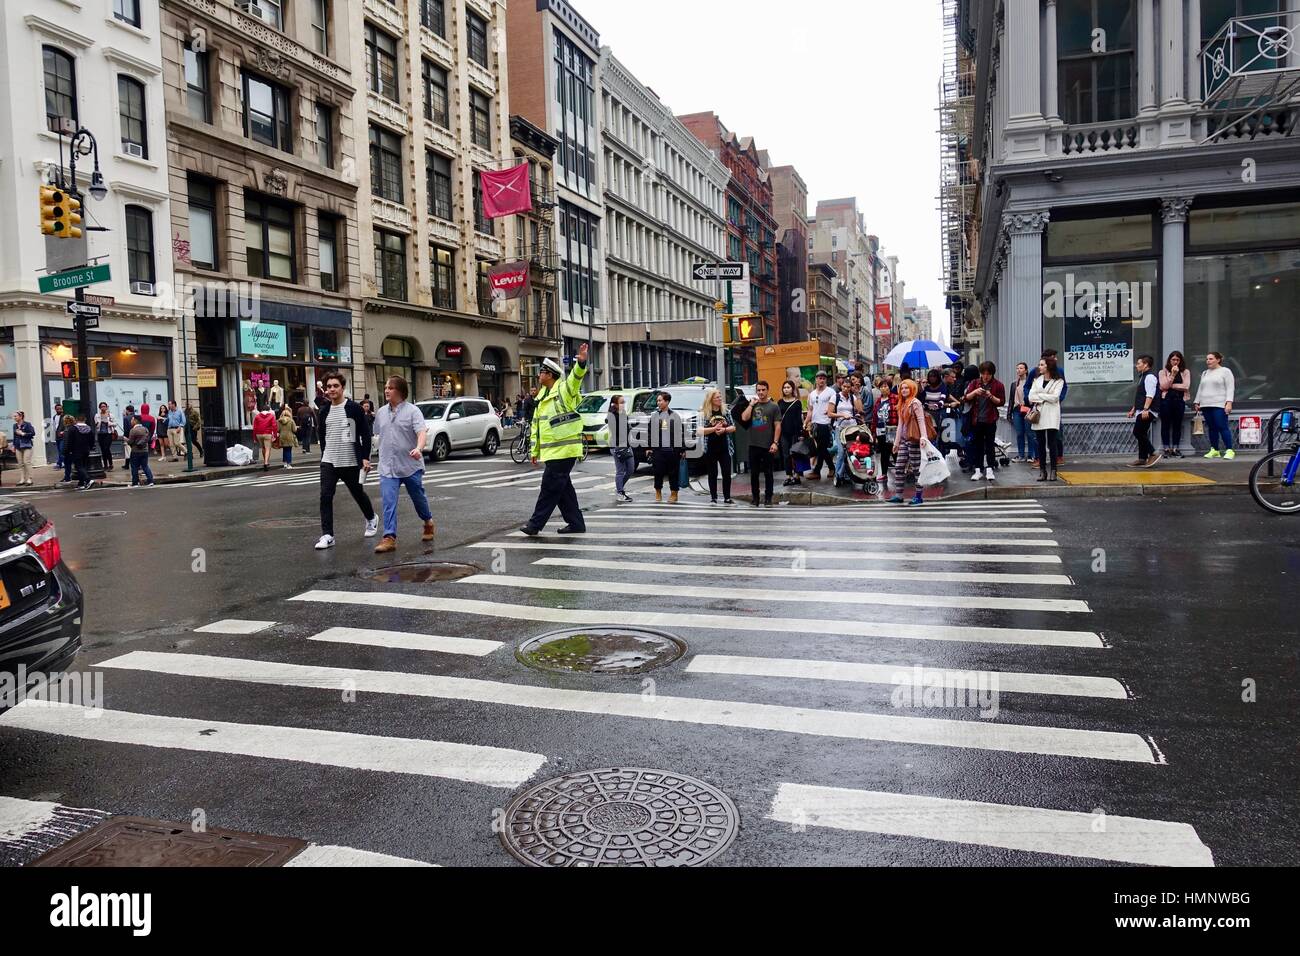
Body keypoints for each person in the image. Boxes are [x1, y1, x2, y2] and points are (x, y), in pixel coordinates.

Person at [521, 344, 589, 536]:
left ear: (550, 375)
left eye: (542, 372)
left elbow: (575, 379)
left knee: (549, 487)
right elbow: (537, 427)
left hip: (564, 451)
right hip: (553, 452)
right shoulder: (542, 397)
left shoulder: (563, 391)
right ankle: (576, 524)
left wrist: (581, 362)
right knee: (563, 489)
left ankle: (535, 525)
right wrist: (535, 451)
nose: (539, 375)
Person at [314, 370, 378, 550]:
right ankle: (328, 535)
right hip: (329, 461)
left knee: (358, 493)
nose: (332, 389)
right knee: (325, 496)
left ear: (342, 388)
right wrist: (324, 455)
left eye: (335, 386)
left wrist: (365, 457)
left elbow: (365, 434)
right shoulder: (324, 410)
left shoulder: (354, 408)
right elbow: (323, 435)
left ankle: (371, 517)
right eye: (328, 387)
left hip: (350, 460)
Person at [372, 375, 435, 553]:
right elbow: (377, 434)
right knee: (388, 501)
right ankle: (389, 537)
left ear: (400, 391)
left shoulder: (413, 411)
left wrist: (418, 448)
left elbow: (421, 432)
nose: (386, 390)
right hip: (387, 466)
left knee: (418, 498)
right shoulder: (381, 412)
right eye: (385, 387)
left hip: (409, 465)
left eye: (390, 388)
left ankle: (428, 522)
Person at [1024, 348, 1068, 466]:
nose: (1056, 359)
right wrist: (1030, 399)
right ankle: (1039, 459)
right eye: (1054, 357)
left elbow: (1061, 390)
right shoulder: (1035, 372)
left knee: (1056, 435)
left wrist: (1059, 398)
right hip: (1038, 409)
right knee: (1038, 437)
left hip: (1053, 408)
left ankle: (1058, 457)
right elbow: (1028, 389)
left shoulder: (1059, 372)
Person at [888, 379, 929, 506]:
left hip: (914, 440)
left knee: (917, 469)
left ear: (912, 389)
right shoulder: (902, 403)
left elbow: (921, 421)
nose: (904, 390)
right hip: (904, 441)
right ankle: (899, 495)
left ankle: (918, 496)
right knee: (899, 467)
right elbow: (900, 425)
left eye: (907, 388)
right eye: (902, 388)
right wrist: (896, 442)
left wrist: (923, 437)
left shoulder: (915, 403)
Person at [741, 380, 782, 506]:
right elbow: (744, 418)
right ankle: (755, 497)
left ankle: (768, 497)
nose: (761, 392)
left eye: (763, 390)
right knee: (753, 474)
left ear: (767, 390)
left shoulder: (774, 406)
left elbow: (778, 426)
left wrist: (775, 442)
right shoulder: (753, 404)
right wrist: (751, 405)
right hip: (753, 444)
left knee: (768, 473)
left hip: (768, 445)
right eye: (758, 390)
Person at [965, 361, 1006, 481]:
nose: (985, 376)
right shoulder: (975, 383)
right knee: (977, 445)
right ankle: (978, 469)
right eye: (983, 373)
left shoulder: (998, 385)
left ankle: (989, 469)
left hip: (990, 419)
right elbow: (965, 398)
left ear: (992, 373)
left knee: (989, 445)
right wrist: (974, 392)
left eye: (988, 374)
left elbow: (1002, 402)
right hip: (976, 419)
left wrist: (991, 396)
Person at [1027, 357, 1064, 482]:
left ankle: (1053, 470)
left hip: (1052, 414)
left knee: (1052, 443)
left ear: (1048, 366)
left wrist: (1040, 396)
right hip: (1039, 414)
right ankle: (1042, 471)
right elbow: (1031, 397)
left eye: (1042, 364)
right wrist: (1045, 397)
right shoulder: (1037, 380)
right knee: (1040, 443)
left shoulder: (1058, 381)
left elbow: (1055, 398)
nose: (1039, 367)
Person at [1194, 351, 1236, 460]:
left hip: (1219, 404)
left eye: (1211, 359)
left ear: (1218, 360)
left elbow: (1230, 387)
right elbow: (1201, 388)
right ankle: (1214, 450)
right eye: (1207, 359)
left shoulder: (1225, 371)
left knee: (1222, 426)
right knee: (1212, 428)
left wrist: (1229, 402)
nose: (1208, 361)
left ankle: (1229, 450)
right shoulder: (1205, 373)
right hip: (1206, 404)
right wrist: (1197, 401)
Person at [700, 388, 736, 504]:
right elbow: (700, 431)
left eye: (720, 397)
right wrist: (714, 429)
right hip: (710, 446)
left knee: (726, 473)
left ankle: (727, 497)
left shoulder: (726, 412)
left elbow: (733, 427)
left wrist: (724, 429)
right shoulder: (705, 413)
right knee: (712, 473)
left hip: (724, 446)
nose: (719, 399)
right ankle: (713, 497)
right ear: (711, 399)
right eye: (717, 397)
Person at [649, 391, 685, 504]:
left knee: (673, 473)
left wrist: (682, 449)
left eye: (660, 400)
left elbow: (680, 433)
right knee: (658, 472)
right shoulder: (654, 416)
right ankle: (658, 492)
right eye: (657, 400)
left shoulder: (675, 416)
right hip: (658, 450)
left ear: (667, 402)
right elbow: (650, 432)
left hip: (672, 450)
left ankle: (674, 493)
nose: (658, 402)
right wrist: (649, 448)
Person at [1126, 355, 1162, 468]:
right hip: (1142, 409)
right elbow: (1141, 395)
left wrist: (1146, 409)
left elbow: (1150, 395)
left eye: (1138, 363)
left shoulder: (1150, 377)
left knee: (1138, 432)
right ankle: (1142, 458)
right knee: (1142, 433)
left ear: (1145, 364)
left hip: (1147, 410)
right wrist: (1134, 409)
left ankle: (1153, 453)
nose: (1137, 365)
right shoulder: (1143, 376)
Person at [1159, 351, 1191, 458]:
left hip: (1179, 400)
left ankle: (1176, 448)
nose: (1175, 362)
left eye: (1177, 360)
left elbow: (1186, 386)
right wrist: (1172, 374)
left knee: (1177, 425)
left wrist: (1171, 385)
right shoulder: (1163, 372)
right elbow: (1163, 386)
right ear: (1169, 360)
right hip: (1166, 401)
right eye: (1173, 360)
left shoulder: (1185, 372)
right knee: (1165, 425)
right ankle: (1166, 448)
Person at [804, 371, 835, 480]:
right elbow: (810, 410)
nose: (821, 380)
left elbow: (834, 407)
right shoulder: (812, 394)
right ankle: (831, 467)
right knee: (821, 448)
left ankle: (817, 471)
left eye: (823, 378)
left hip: (826, 423)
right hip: (815, 424)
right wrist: (806, 422)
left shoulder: (831, 392)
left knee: (821, 447)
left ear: (826, 380)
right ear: (816, 379)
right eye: (819, 378)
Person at [830, 377, 859, 487]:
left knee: (851, 452)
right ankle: (837, 475)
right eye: (844, 386)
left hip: (852, 428)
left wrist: (858, 395)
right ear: (840, 386)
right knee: (841, 451)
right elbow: (829, 413)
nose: (846, 389)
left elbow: (859, 410)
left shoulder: (853, 397)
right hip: (840, 427)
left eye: (848, 387)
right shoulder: (835, 397)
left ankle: (845, 474)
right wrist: (842, 415)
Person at [608, 393, 636, 503]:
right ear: (615, 404)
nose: (624, 404)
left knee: (630, 469)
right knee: (620, 471)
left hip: (627, 445)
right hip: (617, 446)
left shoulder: (623, 413)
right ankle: (620, 492)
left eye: (624, 402)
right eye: (621, 402)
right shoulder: (612, 416)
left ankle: (619, 488)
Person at [777, 380, 805, 486]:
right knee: (786, 455)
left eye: (788, 387)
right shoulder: (780, 402)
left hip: (795, 432)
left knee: (796, 454)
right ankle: (788, 476)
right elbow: (778, 418)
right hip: (784, 432)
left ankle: (797, 476)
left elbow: (799, 419)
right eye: (784, 387)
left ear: (793, 389)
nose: (786, 389)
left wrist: (801, 433)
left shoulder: (797, 402)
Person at [1008, 362, 1035, 463]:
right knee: (1019, 433)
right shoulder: (1014, 384)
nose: (1018, 370)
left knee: (1030, 433)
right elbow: (1011, 399)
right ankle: (1021, 455)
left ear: (1026, 370)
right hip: (1017, 409)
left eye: (1021, 368)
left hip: (1027, 409)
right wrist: (1009, 413)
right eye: (1017, 368)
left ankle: (1031, 455)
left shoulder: (1031, 383)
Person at [66, 414, 96, 490]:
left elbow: (69, 441)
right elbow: (92, 440)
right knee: (83, 466)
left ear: (76, 420)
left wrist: (68, 450)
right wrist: (91, 447)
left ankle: (88, 480)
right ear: (85, 420)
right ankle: (81, 483)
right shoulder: (89, 429)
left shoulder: (73, 429)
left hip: (76, 450)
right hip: (86, 450)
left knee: (79, 466)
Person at [127, 415, 155, 487]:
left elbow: (130, 442)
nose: (131, 421)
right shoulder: (145, 429)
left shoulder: (133, 430)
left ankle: (135, 482)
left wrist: (126, 439)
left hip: (135, 451)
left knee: (134, 467)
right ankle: (150, 481)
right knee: (145, 466)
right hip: (145, 451)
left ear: (135, 421)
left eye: (132, 420)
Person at [11, 412, 36, 486]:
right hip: (18, 446)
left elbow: (33, 433)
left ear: (21, 416)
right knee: (20, 464)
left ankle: (30, 479)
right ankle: (22, 479)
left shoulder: (27, 424)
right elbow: (15, 436)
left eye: (16, 416)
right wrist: (14, 446)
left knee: (26, 462)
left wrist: (23, 434)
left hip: (27, 445)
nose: (14, 418)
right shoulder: (14, 425)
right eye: (14, 416)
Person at [93, 401, 118, 471]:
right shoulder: (97, 415)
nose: (103, 408)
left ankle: (110, 464)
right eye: (101, 407)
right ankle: (105, 465)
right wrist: (99, 423)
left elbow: (115, 423)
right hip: (100, 434)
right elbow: (96, 424)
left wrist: (108, 423)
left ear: (106, 407)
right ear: (99, 408)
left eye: (104, 406)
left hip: (108, 434)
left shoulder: (110, 415)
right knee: (103, 450)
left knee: (107, 448)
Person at [252, 406, 277, 471]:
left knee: (263, 448)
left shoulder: (257, 416)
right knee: (268, 449)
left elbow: (254, 427)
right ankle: (266, 463)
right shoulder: (271, 416)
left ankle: (265, 461)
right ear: (268, 410)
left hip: (259, 434)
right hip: (267, 434)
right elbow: (274, 426)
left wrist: (254, 437)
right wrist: (274, 435)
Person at [278, 404, 299, 469]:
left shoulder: (279, 421)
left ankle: (284, 463)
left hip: (282, 436)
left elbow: (278, 429)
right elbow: (294, 429)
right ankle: (289, 464)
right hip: (289, 436)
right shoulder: (291, 420)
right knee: (289, 450)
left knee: (284, 450)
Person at [56, 414, 74, 483]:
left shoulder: (67, 430)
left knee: (68, 464)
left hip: (69, 450)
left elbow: (66, 442)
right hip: (72, 450)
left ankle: (67, 477)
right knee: (70, 464)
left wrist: (64, 451)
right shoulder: (72, 428)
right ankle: (67, 477)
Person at [48, 402, 65, 470]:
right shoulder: (54, 417)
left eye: (60, 409)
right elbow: (54, 426)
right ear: (55, 410)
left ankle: (59, 464)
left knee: (61, 450)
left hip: (63, 436)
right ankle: (61, 463)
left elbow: (66, 426)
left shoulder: (64, 416)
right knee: (59, 450)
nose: (59, 410)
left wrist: (63, 432)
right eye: (58, 409)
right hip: (57, 436)